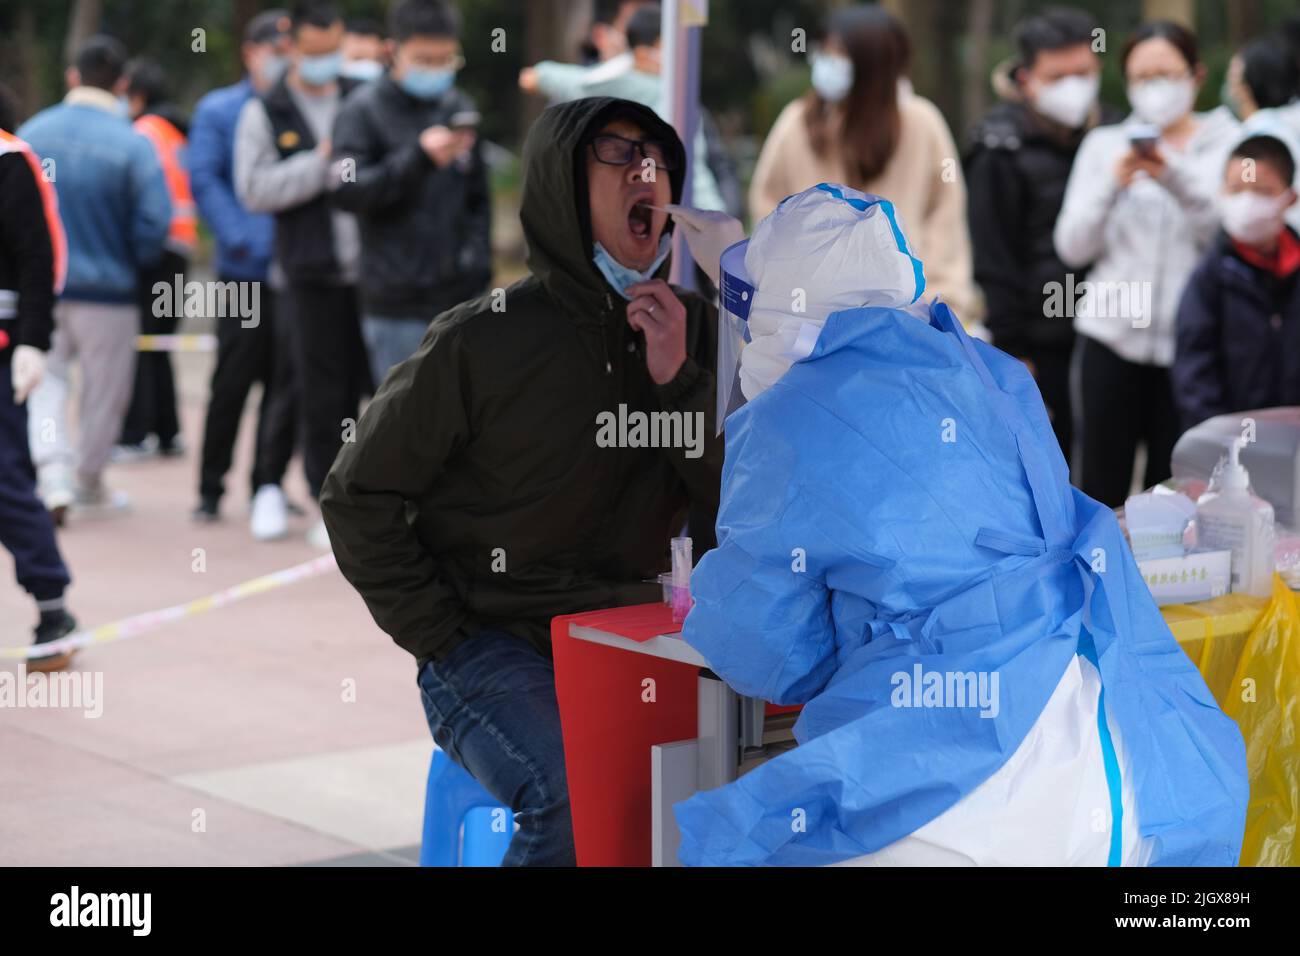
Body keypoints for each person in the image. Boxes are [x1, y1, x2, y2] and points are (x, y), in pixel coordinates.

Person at [672, 182, 1248, 867]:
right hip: (1122, 752)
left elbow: (764, 653)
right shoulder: (991, 374)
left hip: (954, 787)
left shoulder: (787, 423)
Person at [320, 97, 724, 866]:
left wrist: (677, 381)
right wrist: (443, 636)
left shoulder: (697, 328)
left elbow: (738, 498)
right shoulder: (485, 336)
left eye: (657, 155)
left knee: (747, 769)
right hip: (494, 640)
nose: (645, 168)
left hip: (638, 632)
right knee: (573, 793)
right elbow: (356, 495)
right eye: (616, 151)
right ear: (562, 186)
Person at [1054, 20, 1237, 507]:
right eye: (1142, 77)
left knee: (1175, 491)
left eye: (1166, 73)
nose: (1154, 88)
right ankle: (1098, 578)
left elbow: (1227, 236)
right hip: (1109, 337)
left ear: (1196, 75)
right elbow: (1072, 246)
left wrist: (1173, 176)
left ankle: (1165, 585)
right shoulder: (1101, 146)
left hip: (1191, 347)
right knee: (1098, 483)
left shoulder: (1227, 144)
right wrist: (1114, 183)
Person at [18, 35, 171, 523]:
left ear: (71, 76)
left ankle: (52, 473)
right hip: (110, 293)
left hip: (42, 288)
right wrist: (130, 258)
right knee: (106, 394)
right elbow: (155, 222)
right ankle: (87, 480)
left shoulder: (32, 132)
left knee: (45, 382)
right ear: (122, 83)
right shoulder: (132, 143)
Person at [235, 0, 367, 549]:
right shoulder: (266, 110)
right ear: (289, 48)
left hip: (371, 270)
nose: (324, 62)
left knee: (375, 387)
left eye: (331, 51)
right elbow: (255, 189)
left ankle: (372, 496)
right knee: (315, 391)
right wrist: (322, 164)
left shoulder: (363, 99)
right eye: (313, 53)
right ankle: (319, 496)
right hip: (305, 273)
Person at [748, 4, 977, 318]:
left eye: (838, 53)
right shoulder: (798, 122)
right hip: (808, 317)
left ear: (873, 62)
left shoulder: (921, 123)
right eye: (823, 50)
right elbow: (767, 203)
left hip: (905, 319)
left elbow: (945, 219)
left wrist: (939, 304)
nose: (825, 62)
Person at [965, 7, 1118, 464]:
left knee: (1105, 468)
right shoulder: (999, 146)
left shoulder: (1115, 133)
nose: (1073, 86)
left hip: (1110, 335)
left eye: (1083, 72)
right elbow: (994, 257)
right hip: (1039, 341)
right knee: (1047, 466)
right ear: (1027, 78)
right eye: (1058, 76)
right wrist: (1015, 352)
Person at [331, 0, 491, 389]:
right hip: (394, 298)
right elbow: (347, 189)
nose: (435, 70)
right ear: (392, 51)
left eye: (445, 59)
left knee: (462, 421)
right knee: (404, 424)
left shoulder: (458, 106)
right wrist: (418, 158)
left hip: (456, 296)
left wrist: (477, 265)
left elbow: (478, 199)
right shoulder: (361, 111)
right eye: (423, 59)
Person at [190, 9, 300, 537]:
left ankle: (268, 484)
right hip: (241, 273)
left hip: (296, 273)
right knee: (231, 380)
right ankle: (211, 488)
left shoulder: (298, 107)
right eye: (272, 49)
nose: (281, 60)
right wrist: (243, 237)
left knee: (287, 382)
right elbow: (205, 179)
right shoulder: (219, 109)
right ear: (250, 52)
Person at [520, 2, 741, 219]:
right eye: (668, 47)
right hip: (678, 211)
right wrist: (541, 75)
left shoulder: (679, 92)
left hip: (696, 207)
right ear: (644, 53)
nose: (678, 55)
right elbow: (582, 81)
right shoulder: (634, 81)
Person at [0, 86, 79, 671]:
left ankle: (53, 606)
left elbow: (40, 256)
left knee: (3, 480)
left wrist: (33, 340)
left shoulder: (9, 159)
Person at [1173, 133, 1300, 429]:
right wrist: (1217, 438)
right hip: (1232, 446)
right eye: (1237, 189)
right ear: (1221, 193)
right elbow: (1194, 373)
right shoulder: (1210, 278)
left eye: (1262, 191)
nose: (1248, 201)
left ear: (1290, 197)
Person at [114, 58, 195, 462]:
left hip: (155, 249)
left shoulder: (143, 132)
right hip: (181, 248)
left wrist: (137, 252)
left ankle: (135, 433)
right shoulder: (176, 132)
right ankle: (168, 431)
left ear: (137, 94)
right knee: (159, 342)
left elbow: (146, 203)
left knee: (142, 341)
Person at [340, 17, 387, 81]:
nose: (360, 48)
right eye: (356, 41)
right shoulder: (334, 68)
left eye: (369, 42)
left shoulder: (379, 70)